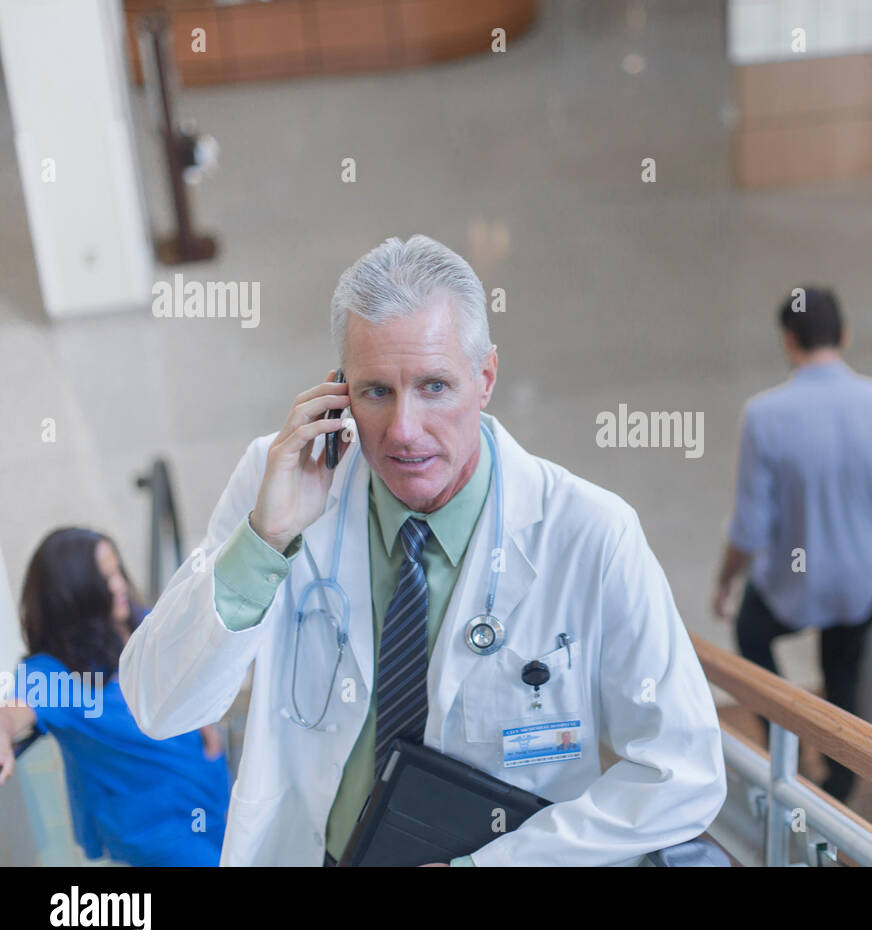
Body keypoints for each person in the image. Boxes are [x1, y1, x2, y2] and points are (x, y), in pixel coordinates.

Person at [118, 235, 727, 867]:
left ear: (485, 377)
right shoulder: (274, 484)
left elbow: (681, 773)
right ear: (339, 391)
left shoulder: (591, 535)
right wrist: (264, 542)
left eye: (434, 386)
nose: (404, 431)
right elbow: (159, 706)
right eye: (376, 391)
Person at [712, 287, 872, 802]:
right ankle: (838, 789)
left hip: (790, 585)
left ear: (788, 341)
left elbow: (750, 529)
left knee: (751, 635)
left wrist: (724, 582)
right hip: (857, 584)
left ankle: (786, 741)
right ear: (845, 335)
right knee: (845, 680)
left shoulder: (764, 415)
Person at [0, 528, 230, 866]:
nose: (120, 585)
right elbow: (13, 712)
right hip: (156, 830)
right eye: (105, 579)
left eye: (117, 572)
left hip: (205, 791)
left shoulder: (142, 624)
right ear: (75, 594)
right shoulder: (55, 673)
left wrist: (208, 731)